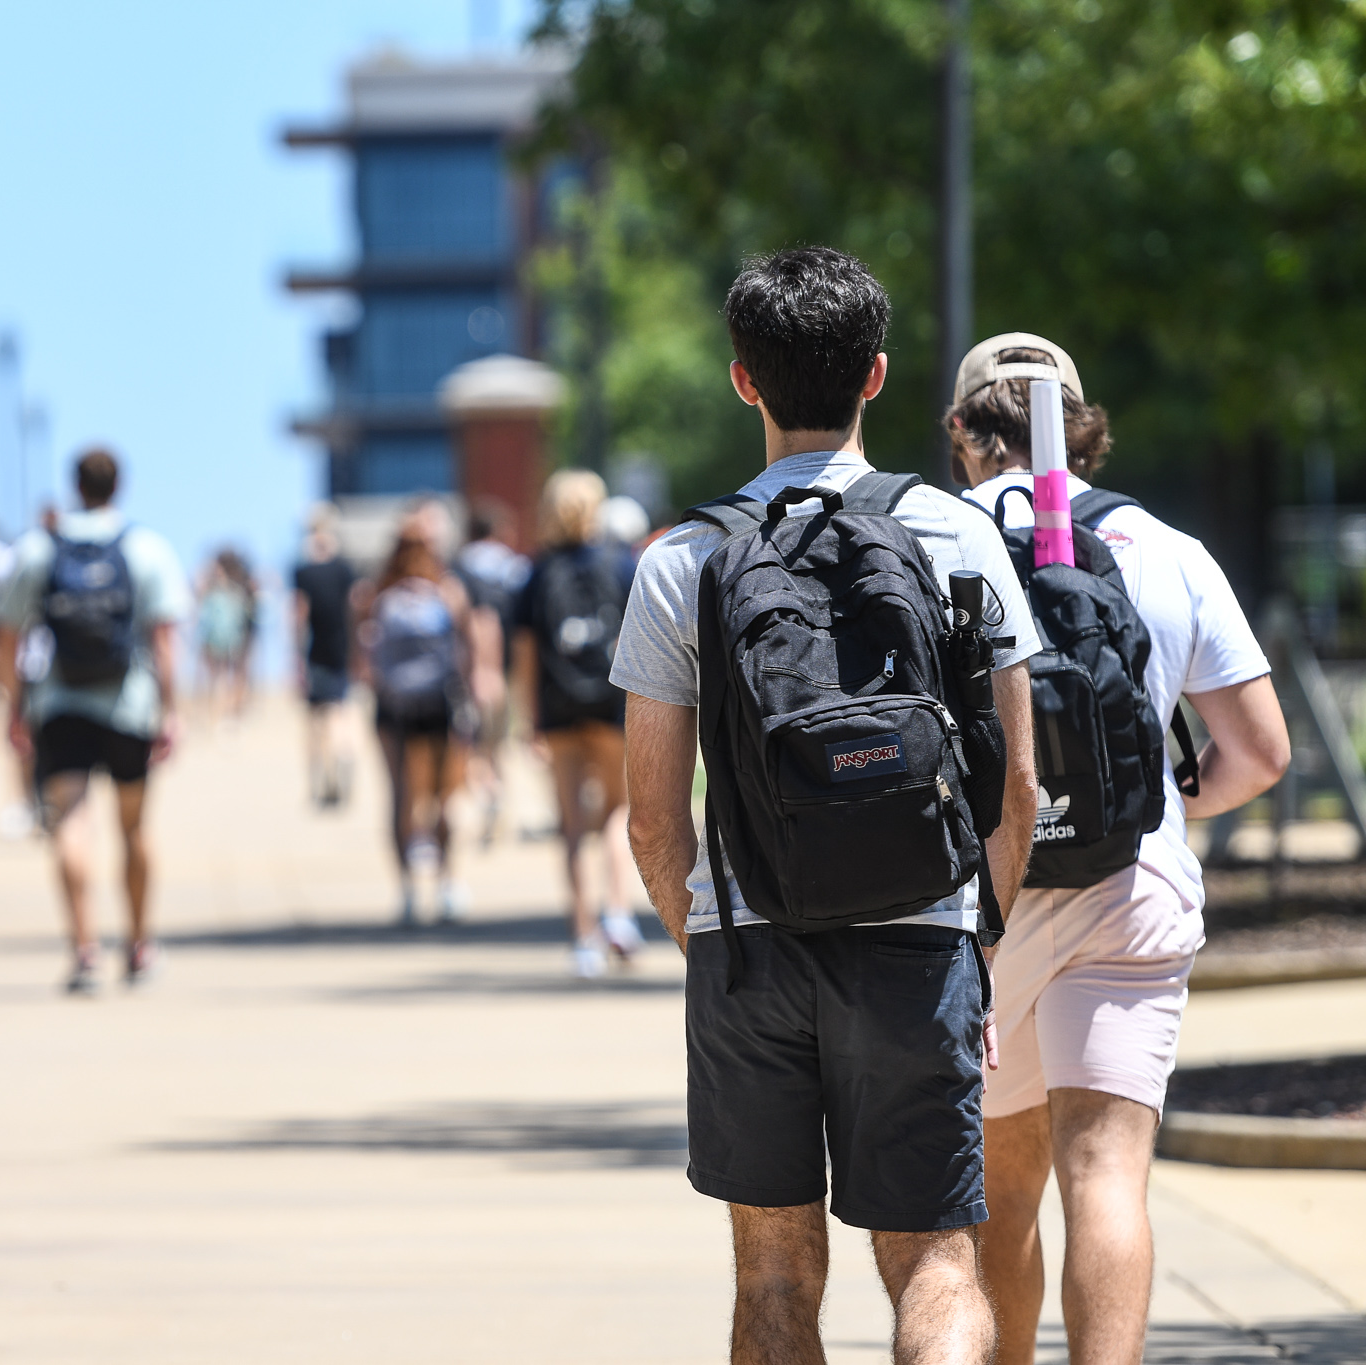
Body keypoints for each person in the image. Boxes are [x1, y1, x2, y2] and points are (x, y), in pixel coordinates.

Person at [612, 247, 1041, 1362]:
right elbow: (1016, 785)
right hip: (918, 941)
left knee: (771, 1275)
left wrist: (710, 934)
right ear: (876, 374)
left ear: (742, 379)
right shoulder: (954, 533)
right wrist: (975, 944)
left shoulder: (684, 558)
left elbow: (651, 818)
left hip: (747, 948)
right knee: (937, 1262)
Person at [950, 334, 1291, 1365]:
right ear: (1081, 429)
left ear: (964, 431)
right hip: (1130, 891)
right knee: (1105, 1177)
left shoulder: (933, 540)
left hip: (988, 909)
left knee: (999, 1191)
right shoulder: (1166, 548)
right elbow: (1259, 753)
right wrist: (1159, 801)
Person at [0, 447, 189, 995]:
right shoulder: (147, 548)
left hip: (61, 703)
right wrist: (171, 710)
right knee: (134, 828)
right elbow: (165, 640)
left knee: (72, 821)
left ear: (74, 485)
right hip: (130, 703)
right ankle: (140, 944)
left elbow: (5, 636)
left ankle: (85, 951)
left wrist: (15, 704)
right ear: (119, 486)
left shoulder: (39, 547)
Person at [511, 470, 643, 978]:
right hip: (609, 703)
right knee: (615, 810)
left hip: (558, 705)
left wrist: (530, 720)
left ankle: (583, 936)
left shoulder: (537, 574)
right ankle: (619, 916)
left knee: (570, 824)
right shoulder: (621, 565)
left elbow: (525, 653)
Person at [360, 512, 492, 926]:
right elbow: (470, 649)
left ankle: (406, 891)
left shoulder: (375, 593)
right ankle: (448, 882)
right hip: (440, 703)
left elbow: (362, 658)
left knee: (400, 795)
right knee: (444, 796)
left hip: (393, 707)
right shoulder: (448, 590)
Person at [452, 500, 528, 846]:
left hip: (472, 670)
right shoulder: (515, 568)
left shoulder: (460, 567)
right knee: (498, 741)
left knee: (473, 743)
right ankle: (498, 796)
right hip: (511, 667)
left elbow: (472, 621)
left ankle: (488, 795)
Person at [292, 504, 358, 808]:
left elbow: (298, 614)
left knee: (315, 718)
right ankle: (343, 759)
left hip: (315, 651)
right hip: (341, 648)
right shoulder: (344, 568)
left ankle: (319, 777)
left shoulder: (303, 570)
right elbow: (353, 608)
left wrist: (295, 657)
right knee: (340, 711)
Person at [195, 548, 258, 724]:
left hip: (227, 639)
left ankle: (226, 711)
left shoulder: (231, 591)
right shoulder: (231, 590)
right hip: (222, 639)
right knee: (222, 676)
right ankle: (221, 713)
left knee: (223, 676)